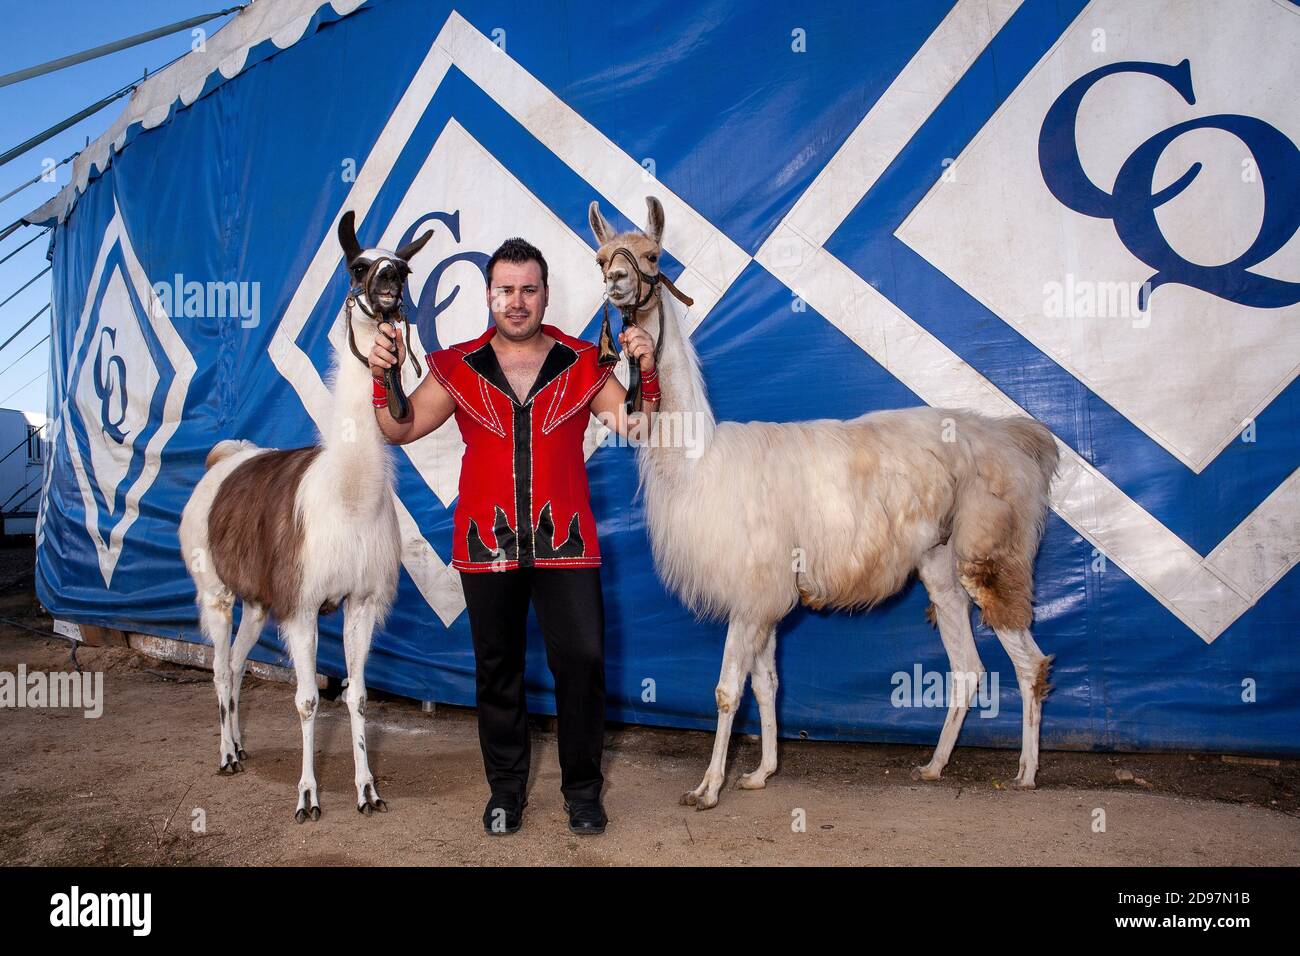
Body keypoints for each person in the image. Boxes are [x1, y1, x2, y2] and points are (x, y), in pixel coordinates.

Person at [367, 237, 658, 836]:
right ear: (489, 295)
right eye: (506, 290)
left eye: (528, 289)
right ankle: (505, 791)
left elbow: (636, 426)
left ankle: (583, 792)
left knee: (581, 664)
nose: (517, 302)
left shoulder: (583, 361)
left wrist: (647, 371)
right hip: (486, 542)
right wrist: (383, 376)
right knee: (496, 669)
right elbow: (400, 427)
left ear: (545, 294)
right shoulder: (457, 365)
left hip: (567, 542)